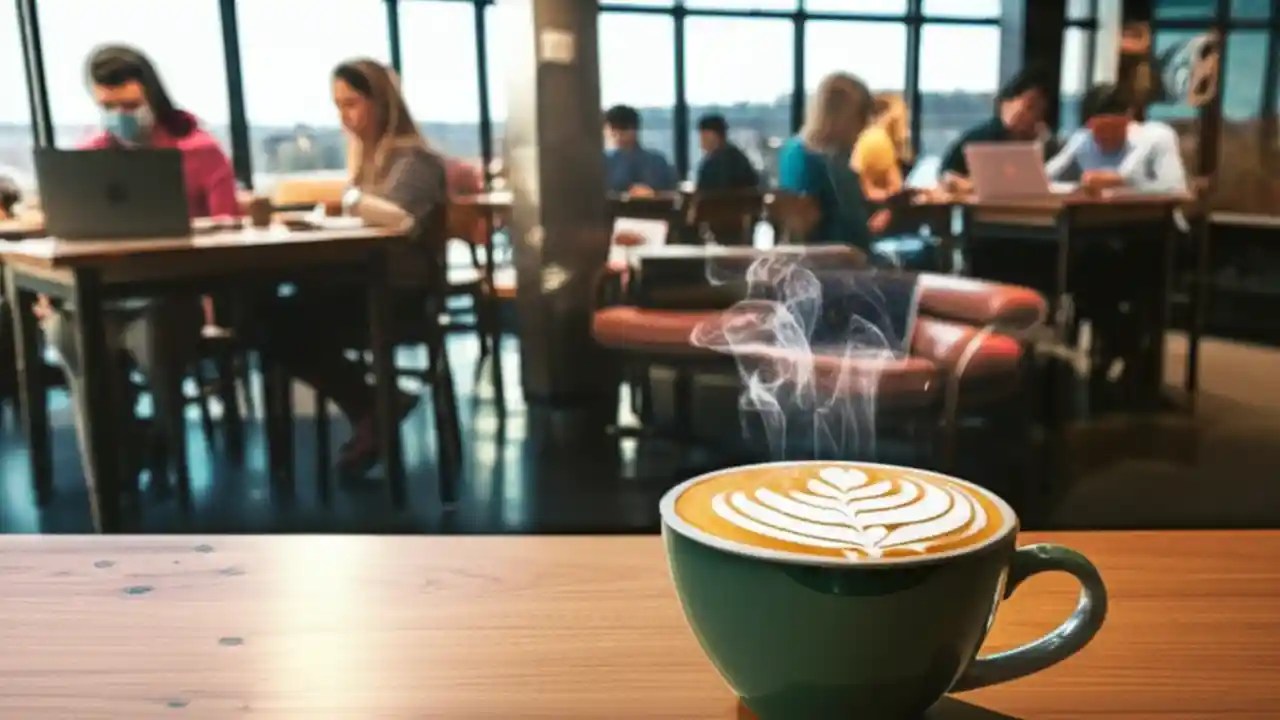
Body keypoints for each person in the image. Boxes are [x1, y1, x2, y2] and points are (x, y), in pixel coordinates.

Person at [43, 45, 239, 487]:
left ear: (153, 95)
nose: (119, 116)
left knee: (154, 333)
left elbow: (231, 232)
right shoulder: (88, 158)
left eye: (129, 105)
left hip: (172, 297)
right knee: (64, 331)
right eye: (107, 107)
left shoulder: (200, 150)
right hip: (103, 300)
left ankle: (158, 440)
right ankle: (121, 447)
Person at [259, 58, 447, 477]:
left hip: (399, 294)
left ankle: (372, 409)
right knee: (270, 316)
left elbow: (400, 219)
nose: (344, 115)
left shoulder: (413, 159)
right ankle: (375, 408)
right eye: (337, 105)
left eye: (352, 103)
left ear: (382, 102)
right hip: (365, 284)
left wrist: (347, 201)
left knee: (277, 324)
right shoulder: (367, 159)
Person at [777, 72, 888, 250]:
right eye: (862, 115)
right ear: (846, 116)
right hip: (842, 262)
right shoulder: (833, 162)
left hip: (803, 261)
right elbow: (855, 232)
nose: (865, 126)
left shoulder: (792, 150)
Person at [1046, 83, 1188, 193]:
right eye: (1098, 129)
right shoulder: (1082, 140)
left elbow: (1176, 188)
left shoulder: (1157, 137)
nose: (1105, 135)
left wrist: (1125, 183)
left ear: (1129, 118)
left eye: (1112, 128)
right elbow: (1045, 176)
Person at [938, 68, 1051, 192]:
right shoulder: (979, 138)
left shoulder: (1041, 144)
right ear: (1006, 103)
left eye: (1039, 112)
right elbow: (947, 174)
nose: (1032, 117)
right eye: (1029, 107)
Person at [852, 92, 913, 202]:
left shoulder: (870, 137)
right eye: (902, 118)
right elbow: (895, 189)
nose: (905, 127)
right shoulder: (878, 140)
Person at [603, 104, 677, 194]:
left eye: (623, 128)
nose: (618, 135)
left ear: (635, 129)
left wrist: (653, 194)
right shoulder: (603, 162)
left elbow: (673, 194)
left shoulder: (657, 162)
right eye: (613, 130)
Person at [693, 114, 759, 191]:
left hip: (715, 202)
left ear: (713, 135)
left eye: (703, 135)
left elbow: (703, 194)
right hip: (745, 203)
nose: (701, 141)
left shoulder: (711, 165)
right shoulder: (741, 159)